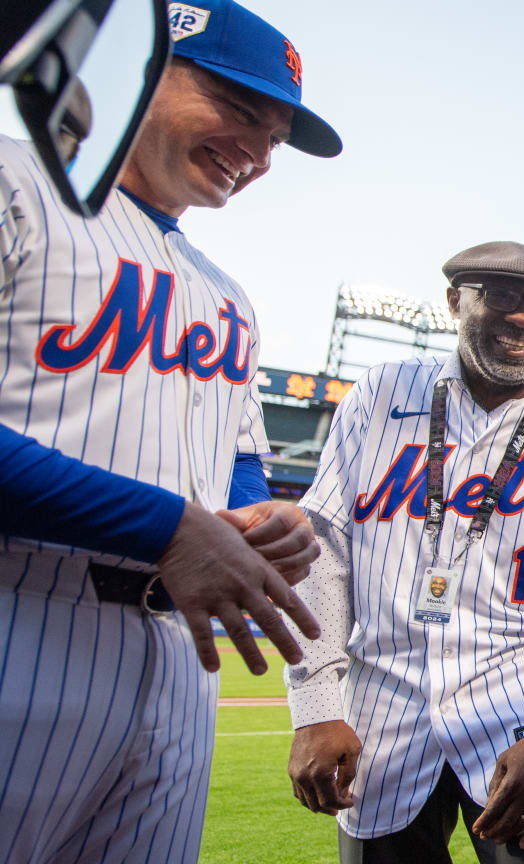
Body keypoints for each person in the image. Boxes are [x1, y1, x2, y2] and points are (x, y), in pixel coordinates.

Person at [0, 2, 339, 860]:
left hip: (180, 662)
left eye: (276, 135)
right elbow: (180, 518)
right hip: (20, 622)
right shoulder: (15, 185)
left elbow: (235, 463)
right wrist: (163, 526)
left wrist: (265, 523)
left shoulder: (227, 294)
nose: (260, 153)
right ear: (148, 71)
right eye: (240, 109)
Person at [282, 241, 524, 864]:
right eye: (502, 297)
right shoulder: (378, 395)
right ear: (455, 301)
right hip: (380, 718)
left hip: (519, 724)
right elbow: (324, 554)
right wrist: (314, 705)